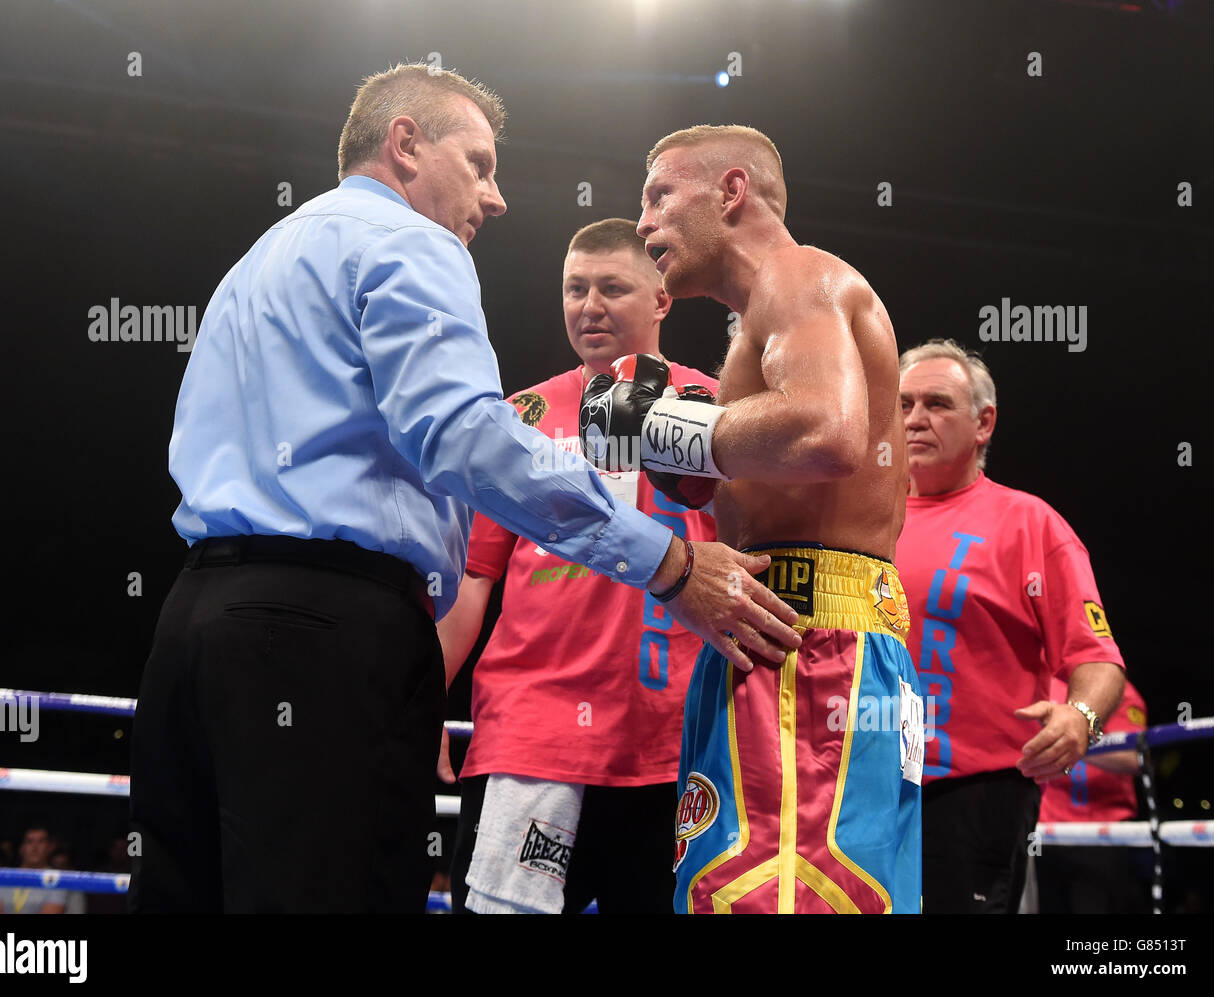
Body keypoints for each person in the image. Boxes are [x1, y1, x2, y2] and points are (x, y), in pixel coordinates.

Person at [130, 65, 800, 914]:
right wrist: (666, 560)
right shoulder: (410, 243)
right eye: (479, 163)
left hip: (196, 621)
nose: (495, 196)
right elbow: (464, 439)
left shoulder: (259, 259)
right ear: (405, 144)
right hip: (328, 631)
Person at [583, 124, 923, 914]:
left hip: (813, 653)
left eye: (661, 195)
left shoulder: (799, 277)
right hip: (788, 641)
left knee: (779, 897)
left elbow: (826, 432)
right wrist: (668, 435)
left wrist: (671, 427)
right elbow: (739, 487)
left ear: (731, 192)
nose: (643, 223)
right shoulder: (753, 332)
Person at [439, 218, 717, 914]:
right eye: (575, 288)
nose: (588, 304)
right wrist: (420, 705)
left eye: (611, 287)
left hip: (678, 742)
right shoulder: (520, 415)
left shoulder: (714, 410)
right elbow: (472, 578)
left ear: (661, 299)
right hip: (532, 733)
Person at [896, 338, 1125, 913]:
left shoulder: (1031, 524)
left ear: (984, 422)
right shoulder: (858, 518)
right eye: (901, 405)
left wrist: (1082, 715)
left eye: (937, 404)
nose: (915, 420)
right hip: (857, 783)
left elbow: (1096, 656)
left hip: (974, 792)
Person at [1037, 677, 1150, 913]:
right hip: (1045, 835)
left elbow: (1133, 758)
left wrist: (1070, 740)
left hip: (1101, 834)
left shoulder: (1117, 689)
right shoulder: (1042, 683)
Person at [0, 826, 66, 915]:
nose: (35, 847)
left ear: (49, 847)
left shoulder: (57, 879)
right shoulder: (2, 876)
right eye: (29, 841)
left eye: (41, 841)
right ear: (21, 848)